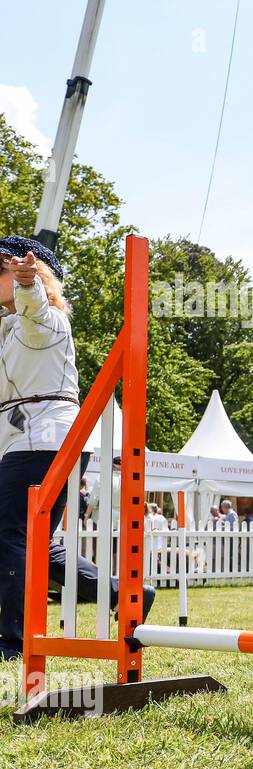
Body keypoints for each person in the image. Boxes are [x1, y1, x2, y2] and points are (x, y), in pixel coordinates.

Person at [0, 237, 154, 659]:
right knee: (37, 542)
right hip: (36, 438)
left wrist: (25, 284)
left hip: (43, 438)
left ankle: (12, 642)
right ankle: (129, 593)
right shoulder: (9, 325)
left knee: (10, 535)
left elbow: (33, 308)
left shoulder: (44, 319)